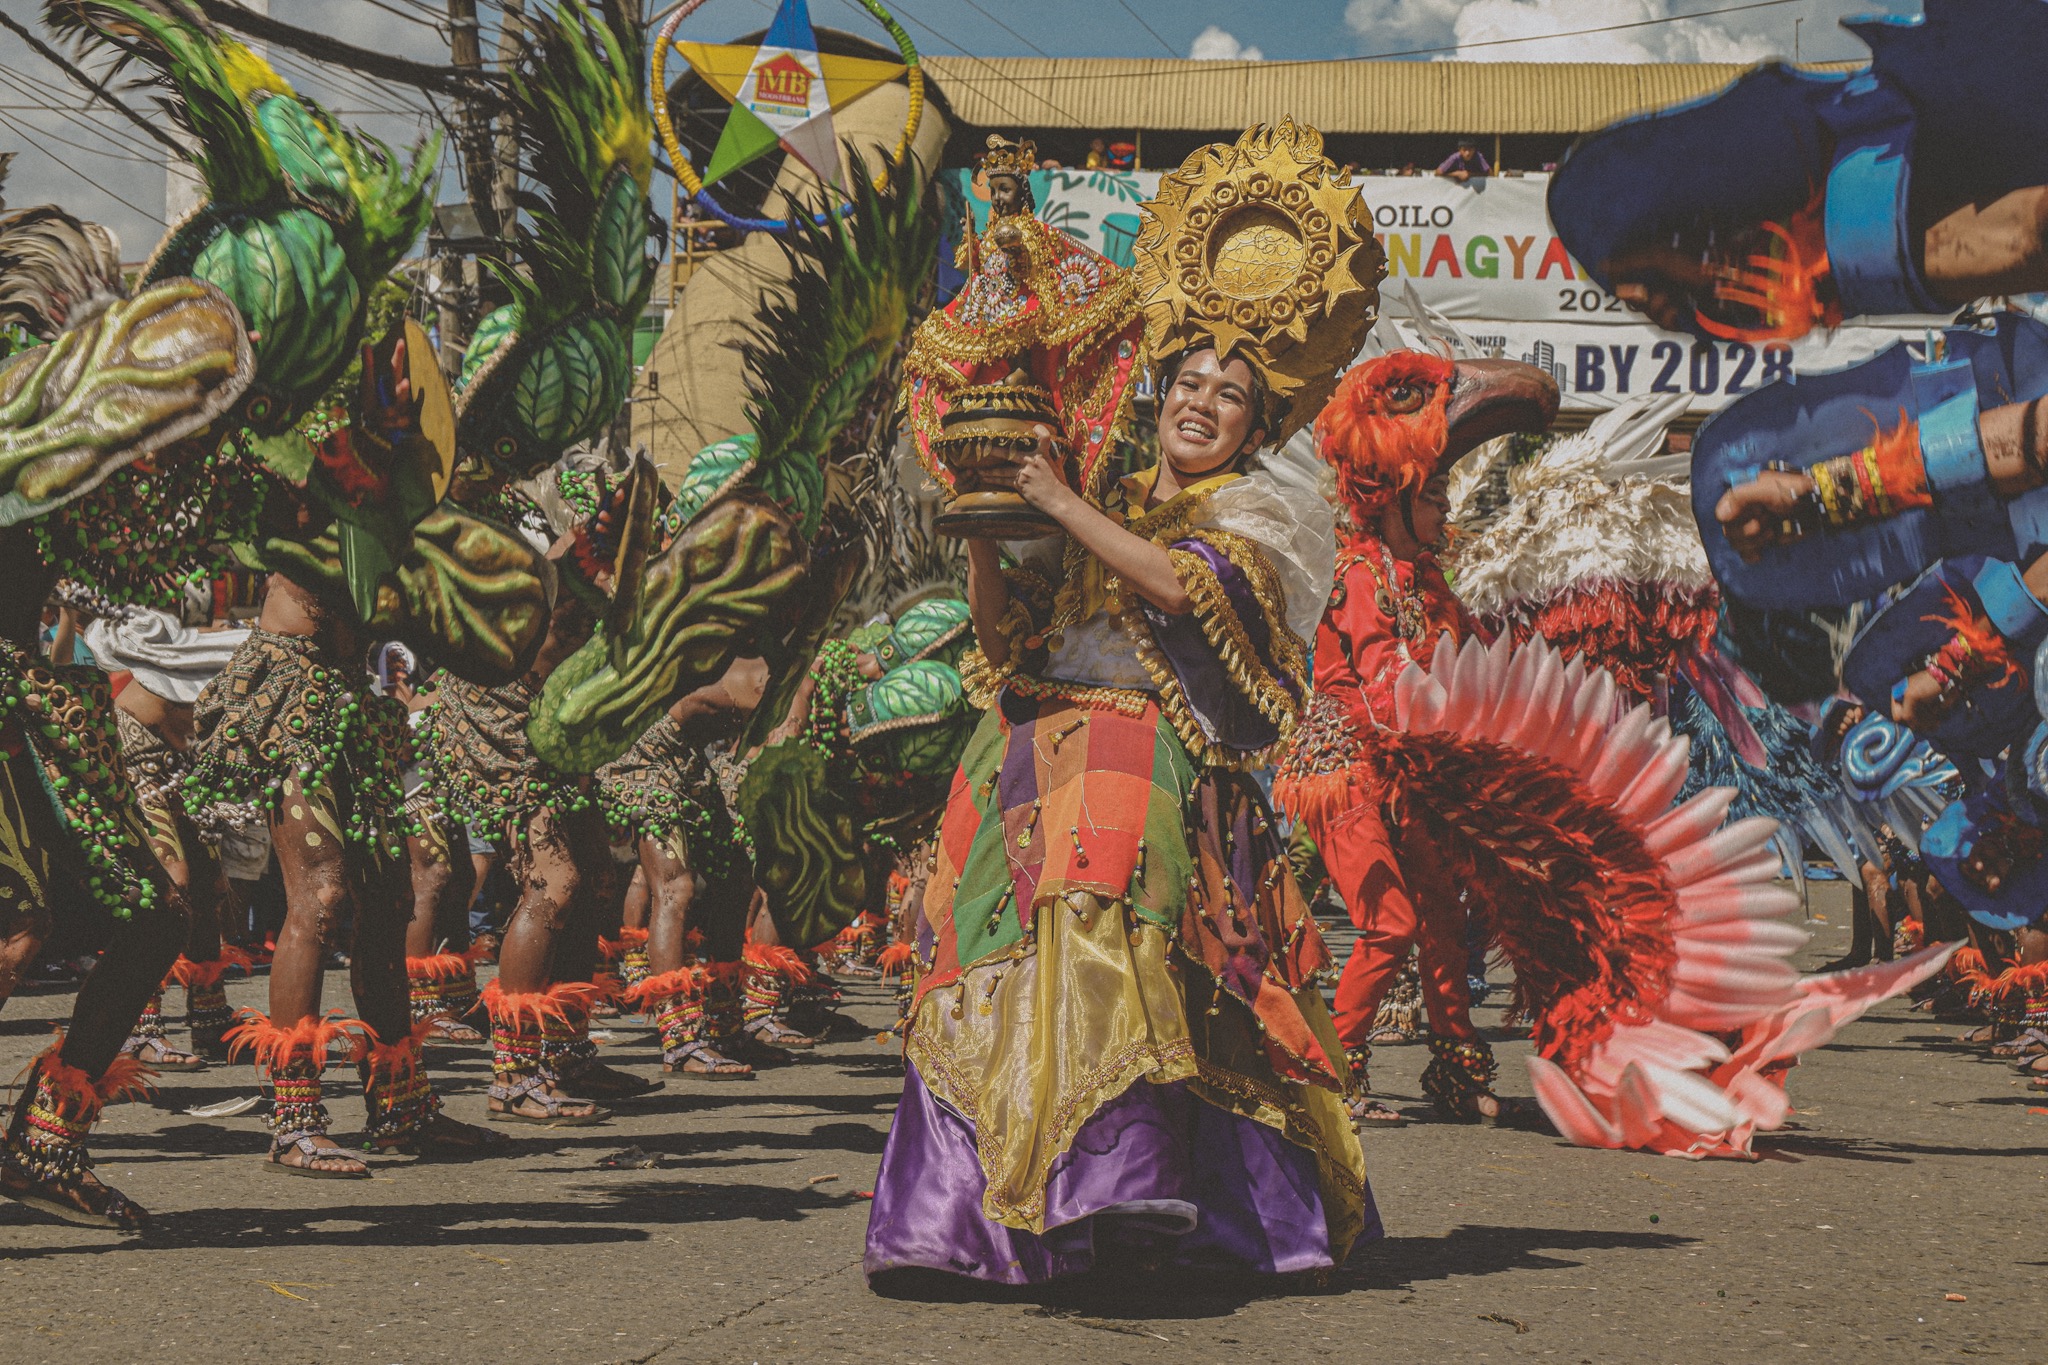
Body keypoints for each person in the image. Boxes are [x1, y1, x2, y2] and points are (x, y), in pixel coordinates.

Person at [867, 120, 1386, 1287]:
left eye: (1231, 396)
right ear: (1158, 396)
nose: (1201, 402)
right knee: (977, 966)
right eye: (1188, 382)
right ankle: (956, 1224)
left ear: (1258, 427)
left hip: (1145, 765)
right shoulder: (1094, 487)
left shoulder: (1261, 514)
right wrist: (989, 527)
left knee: (1110, 933)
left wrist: (1048, 497)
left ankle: (1123, 1184)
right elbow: (1005, 644)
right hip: (1022, 750)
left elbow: (1174, 588)